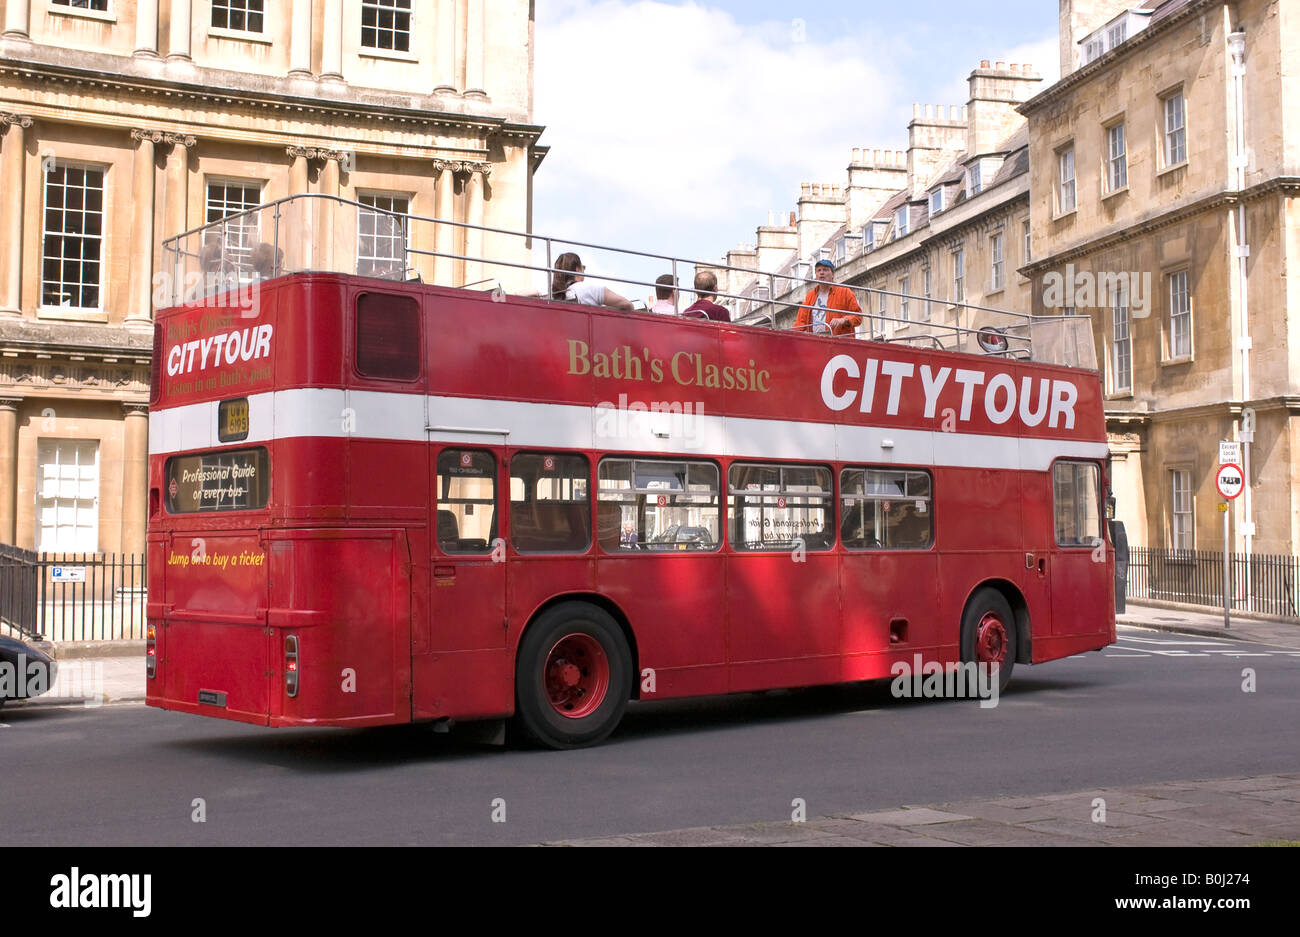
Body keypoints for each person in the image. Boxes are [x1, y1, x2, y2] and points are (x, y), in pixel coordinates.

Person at [794, 258, 863, 336]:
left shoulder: (845, 292)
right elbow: (800, 323)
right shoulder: (810, 296)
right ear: (816, 275)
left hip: (839, 342)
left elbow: (858, 317)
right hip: (815, 342)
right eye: (818, 270)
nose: (821, 273)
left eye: (825, 270)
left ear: (833, 274)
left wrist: (843, 320)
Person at [550, 252, 635, 311]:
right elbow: (628, 305)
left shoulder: (553, 297)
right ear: (577, 269)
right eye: (583, 267)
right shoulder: (590, 290)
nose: (584, 270)